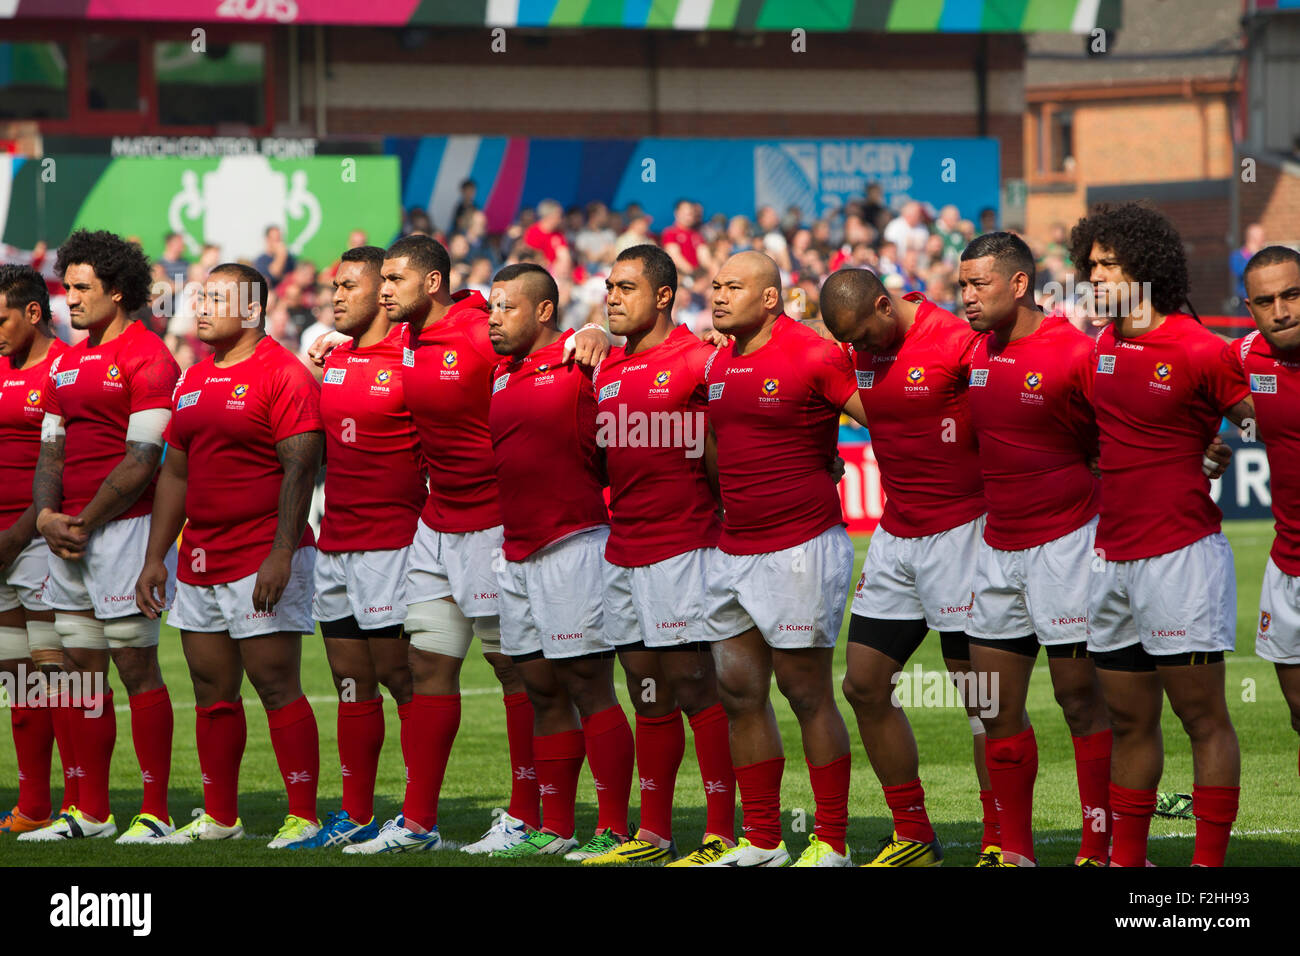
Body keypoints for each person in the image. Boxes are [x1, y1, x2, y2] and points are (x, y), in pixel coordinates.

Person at [1072, 201, 1253, 868]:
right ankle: (1128, 863)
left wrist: (1224, 445)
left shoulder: (1202, 348)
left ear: (1144, 270)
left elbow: (1262, 425)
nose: (1093, 275)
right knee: (1127, 720)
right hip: (1111, 557)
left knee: (1202, 719)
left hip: (1181, 556)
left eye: (1108, 264)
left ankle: (1206, 874)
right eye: (1089, 264)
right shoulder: (1104, 344)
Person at [136, 263, 324, 848]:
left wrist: (282, 552)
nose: (201, 306)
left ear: (251, 309)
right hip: (198, 558)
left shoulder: (285, 374)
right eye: (200, 296)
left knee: (275, 684)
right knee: (210, 689)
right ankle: (220, 816)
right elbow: (175, 474)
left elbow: (301, 466)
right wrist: (153, 558)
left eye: (217, 297)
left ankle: (304, 817)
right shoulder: (190, 378)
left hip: (262, 553)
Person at [819, 267, 995, 867]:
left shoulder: (954, 341)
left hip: (964, 535)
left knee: (983, 699)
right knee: (864, 685)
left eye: (866, 336)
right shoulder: (851, 339)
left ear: (884, 305)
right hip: (898, 536)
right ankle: (915, 835)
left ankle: (1000, 839)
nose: (859, 350)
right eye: (851, 341)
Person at [699, 252, 869, 867]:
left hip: (800, 545)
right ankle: (764, 840)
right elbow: (716, 439)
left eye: (733, 287)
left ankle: (831, 842)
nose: (718, 295)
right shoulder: (717, 356)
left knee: (806, 694)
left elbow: (881, 421)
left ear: (770, 298)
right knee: (739, 693)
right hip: (732, 547)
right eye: (715, 285)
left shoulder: (814, 353)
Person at [576, 245, 736, 866]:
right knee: (646, 693)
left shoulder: (700, 360)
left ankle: (722, 829)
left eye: (627, 287)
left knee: (697, 689)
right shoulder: (605, 369)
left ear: (664, 295)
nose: (612, 297)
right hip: (623, 550)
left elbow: (744, 428)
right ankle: (654, 833)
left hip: (686, 547)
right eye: (609, 287)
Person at [20, 230, 179, 845]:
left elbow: (143, 458)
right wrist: (45, 518)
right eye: (68, 287)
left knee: (136, 668)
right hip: (65, 535)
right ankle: (89, 810)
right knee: (79, 672)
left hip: (123, 533)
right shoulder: (63, 361)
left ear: (119, 290)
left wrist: (84, 521)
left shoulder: (150, 358)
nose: (71, 299)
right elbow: (49, 454)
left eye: (83, 288)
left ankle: (156, 812)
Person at [959, 233, 1113, 867]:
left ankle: (1096, 848)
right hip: (996, 546)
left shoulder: (1073, 353)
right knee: (992, 703)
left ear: (1019, 285)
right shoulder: (970, 350)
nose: (966, 297)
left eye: (978, 284)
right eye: (961, 285)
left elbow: (1115, 437)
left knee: (1080, 699)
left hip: (1069, 545)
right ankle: (1014, 852)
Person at [485, 262, 635, 861]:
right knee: (541, 689)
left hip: (573, 545)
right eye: (493, 309)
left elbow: (643, 374)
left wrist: (599, 328)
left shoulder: (584, 363)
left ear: (545, 312)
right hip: (514, 550)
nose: (494, 319)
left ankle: (617, 826)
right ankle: (556, 825)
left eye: (508, 309)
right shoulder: (499, 374)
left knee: (588, 685)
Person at [289, 246, 421, 849]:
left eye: (349, 286)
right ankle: (358, 812)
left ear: (383, 294)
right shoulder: (334, 357)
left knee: (400, 676)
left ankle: (419, 817)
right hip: (336, 539)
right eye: (332, 286)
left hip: (392, 542)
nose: (336, 296)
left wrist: (593, 329)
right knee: (349, 679)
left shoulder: (414, 354)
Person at [0, 265, 71, 834]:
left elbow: (63, 464)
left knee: (59, 674)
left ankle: (80, 803)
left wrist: (19, 534)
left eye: (1, 318)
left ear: (31, 312)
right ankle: (33, 806)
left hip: (37, 542)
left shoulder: (65, 369)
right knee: (17, 680)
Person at [1231, 245, 1300, 791]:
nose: (1282, 310)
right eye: (1267, 301)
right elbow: (1182, 392)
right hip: (1287, 565)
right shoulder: (1242, 358)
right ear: (1249, 307)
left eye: (1293, 294)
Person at [1230, 223, 1267, 311]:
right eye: (1262, 236)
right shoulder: (1237, 256)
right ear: (1253, 238)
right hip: (1245, 301)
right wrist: (1253, 255)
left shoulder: (1265, 256)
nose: (1264, 239)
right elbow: (1241, 271)